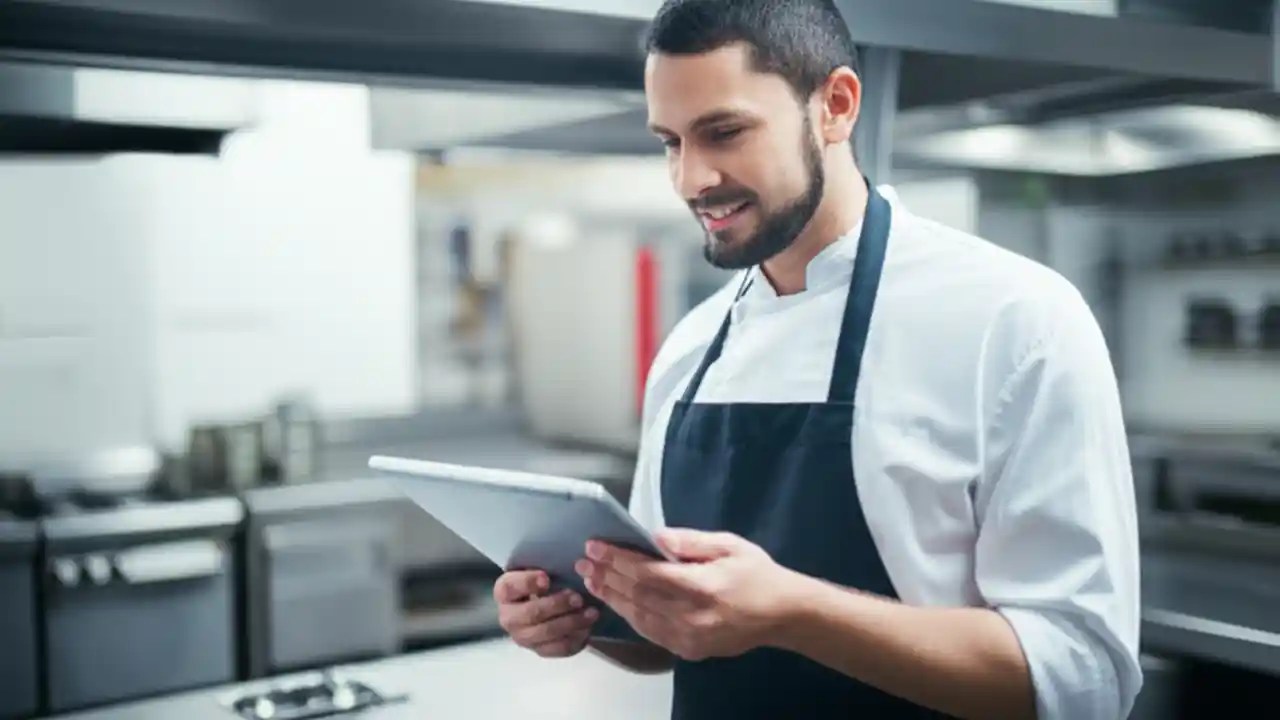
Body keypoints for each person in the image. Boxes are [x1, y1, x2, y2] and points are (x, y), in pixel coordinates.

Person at [492, 1, 1142, 718]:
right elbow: (673, 629)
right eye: (670, 142)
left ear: (835, 105)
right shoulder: (691, 348)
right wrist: (589, 616)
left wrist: (793, 611)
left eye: (724, 132)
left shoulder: (1017, 320)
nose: (690, 179)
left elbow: (1083, 676)